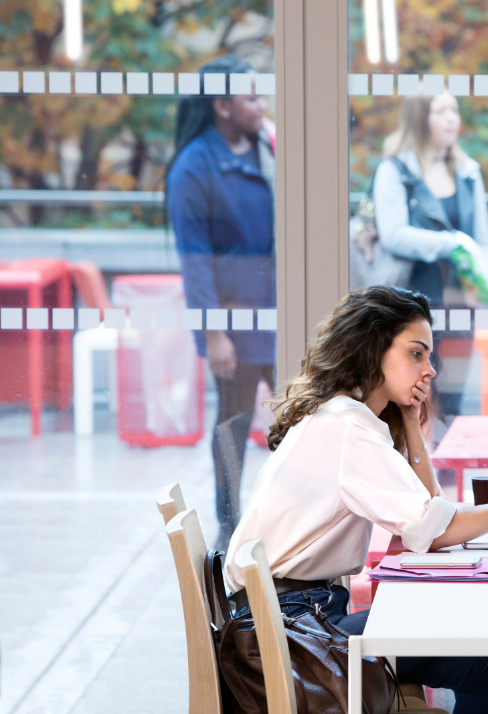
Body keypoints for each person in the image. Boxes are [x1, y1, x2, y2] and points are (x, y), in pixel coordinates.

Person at [223, 286, 488, 713]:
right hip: (291, 636)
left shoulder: (340, 415)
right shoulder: (351, 428)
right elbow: (434, 532)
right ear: (373, 349)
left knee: (478, 651)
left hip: (288, 621)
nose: (430, 370)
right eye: (416, 354)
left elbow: (428, 513)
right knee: (483, 660)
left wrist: (411, 423)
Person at [166, 56, 275, 550]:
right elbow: (196, 260)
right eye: (252, 97)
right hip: (233, 322)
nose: (262, 105)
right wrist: (213, 332)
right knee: (232, 424)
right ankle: (230, 525)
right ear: (223, 106)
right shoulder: (194, 167)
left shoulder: (268, 149)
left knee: (304, 418)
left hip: (280, 311)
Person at [370, 90, 488, 431]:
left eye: (454, 110)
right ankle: (410, 481)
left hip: (459, 306)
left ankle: (441, 482)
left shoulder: (468, 172)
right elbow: (393, 234)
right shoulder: (395, 170)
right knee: (408, 406)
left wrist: (487, 288)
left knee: (449, 403)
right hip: (409, 309)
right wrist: (452, 243)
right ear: (419, 118)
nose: (450, 118)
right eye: (439, 110)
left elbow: (481, 241)